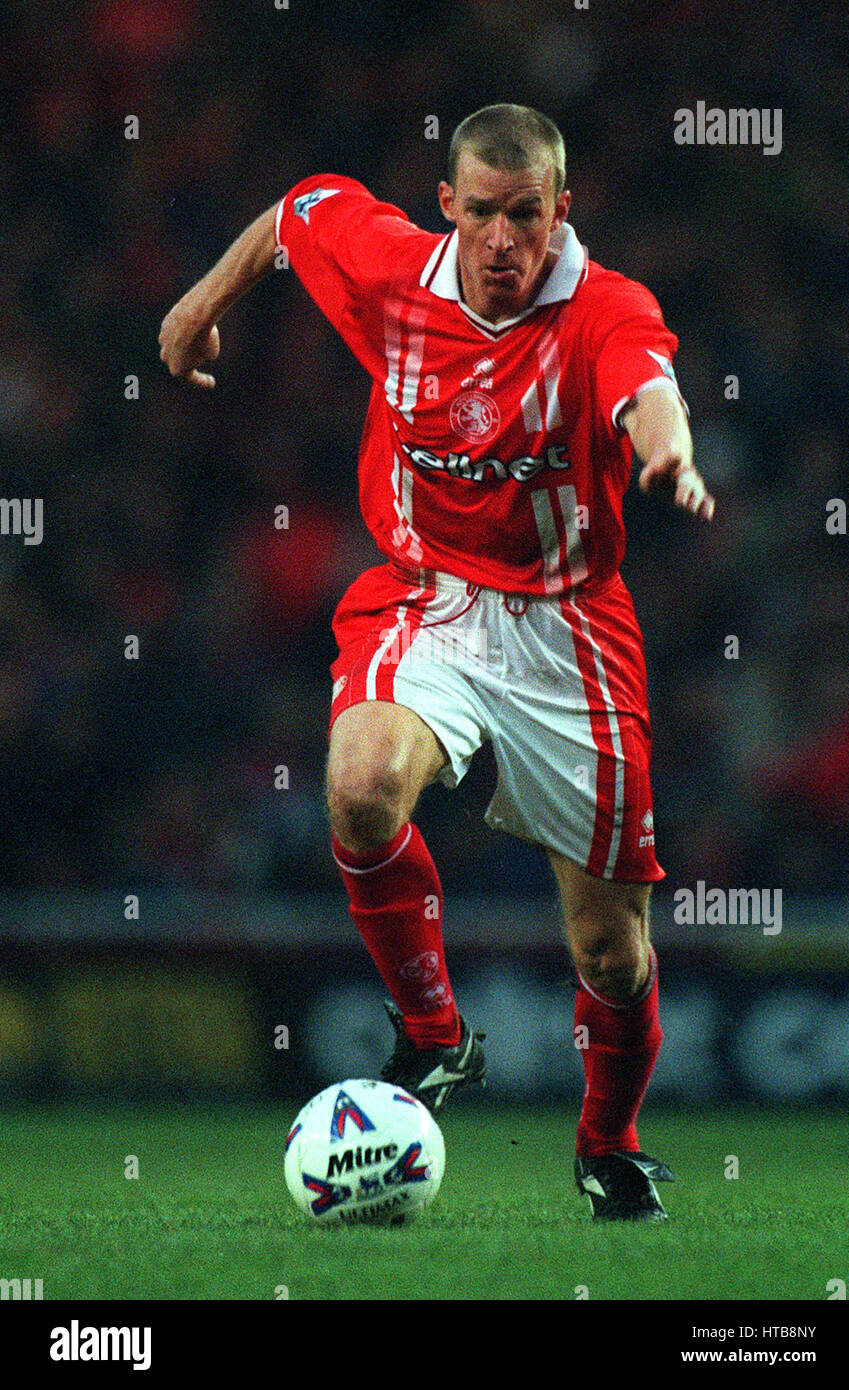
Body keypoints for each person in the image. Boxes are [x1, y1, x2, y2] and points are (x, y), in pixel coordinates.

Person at [159, 103, 715, 1221]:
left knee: (608, 952)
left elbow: (647, 386)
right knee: (360, 784)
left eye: (525, 216)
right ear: (446, 205)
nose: (502, 240)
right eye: (480, 214)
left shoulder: (602, 309)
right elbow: (296, 208)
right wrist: (197, 305)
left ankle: (606, 1140)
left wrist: (669, 455)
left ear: (559, 212)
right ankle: (432, 1033)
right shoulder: (396, 275)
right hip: (430, 599)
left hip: (569, 633)